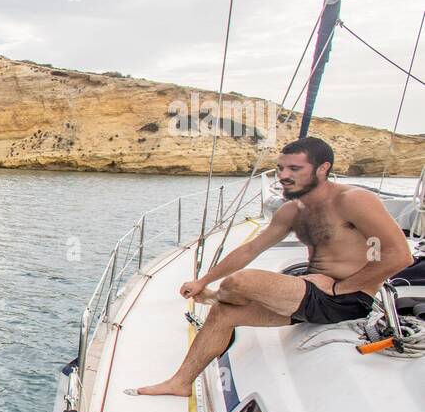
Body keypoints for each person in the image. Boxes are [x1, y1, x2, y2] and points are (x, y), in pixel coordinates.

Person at [135, 137, 413, 397]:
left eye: (295, 168)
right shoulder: (293, 210)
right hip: (312, 291)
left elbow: (399, 255)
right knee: (222, 315)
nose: (283, 175)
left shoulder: (354, 200)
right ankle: (180, 383)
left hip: (346, 299)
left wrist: (344, 286)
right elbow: (251, 248)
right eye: (280, 168)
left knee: (239, 283)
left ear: (322, 169)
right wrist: (202, 280)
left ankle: (214, 296)